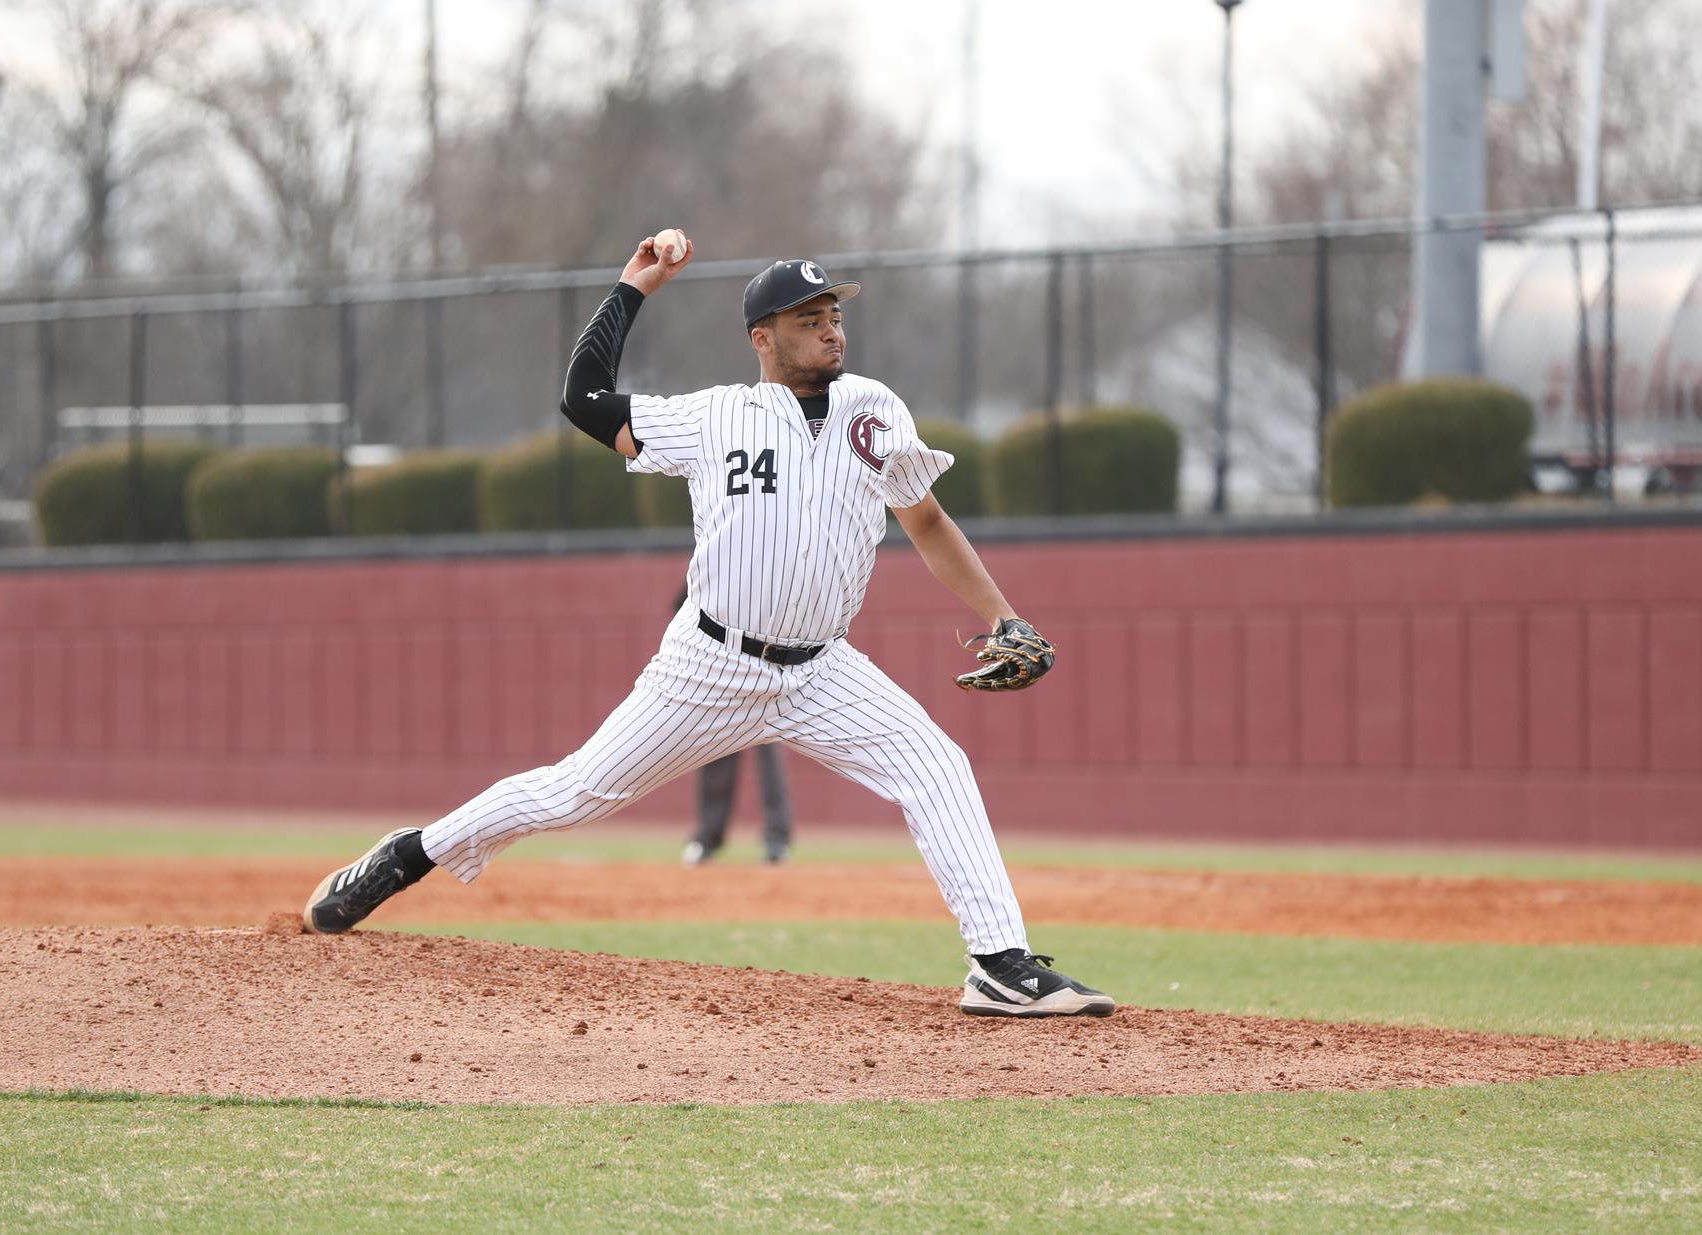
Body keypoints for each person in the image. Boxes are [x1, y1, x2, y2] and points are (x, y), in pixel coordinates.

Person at [303, 233, 1114, 1018]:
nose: (830, 326)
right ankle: (407, 855)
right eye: (808, 317)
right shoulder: (713, 417)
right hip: (711, 664)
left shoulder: (875, 409)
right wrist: (634, 288)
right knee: (575, 791)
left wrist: (1004, 615)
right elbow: (582, 399)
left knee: (937, 765)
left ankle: (1001, 966)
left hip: (823, 670)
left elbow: (928, 520)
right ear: (763, 339)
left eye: (833, 312)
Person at [671, 583, 794, 866]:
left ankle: (777, 841)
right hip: (723, 676)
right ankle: (707, 839)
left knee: (770, 761)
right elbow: (684, 607)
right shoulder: (719, 565)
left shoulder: (777, 575)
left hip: (768, 678)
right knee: (715, 756)